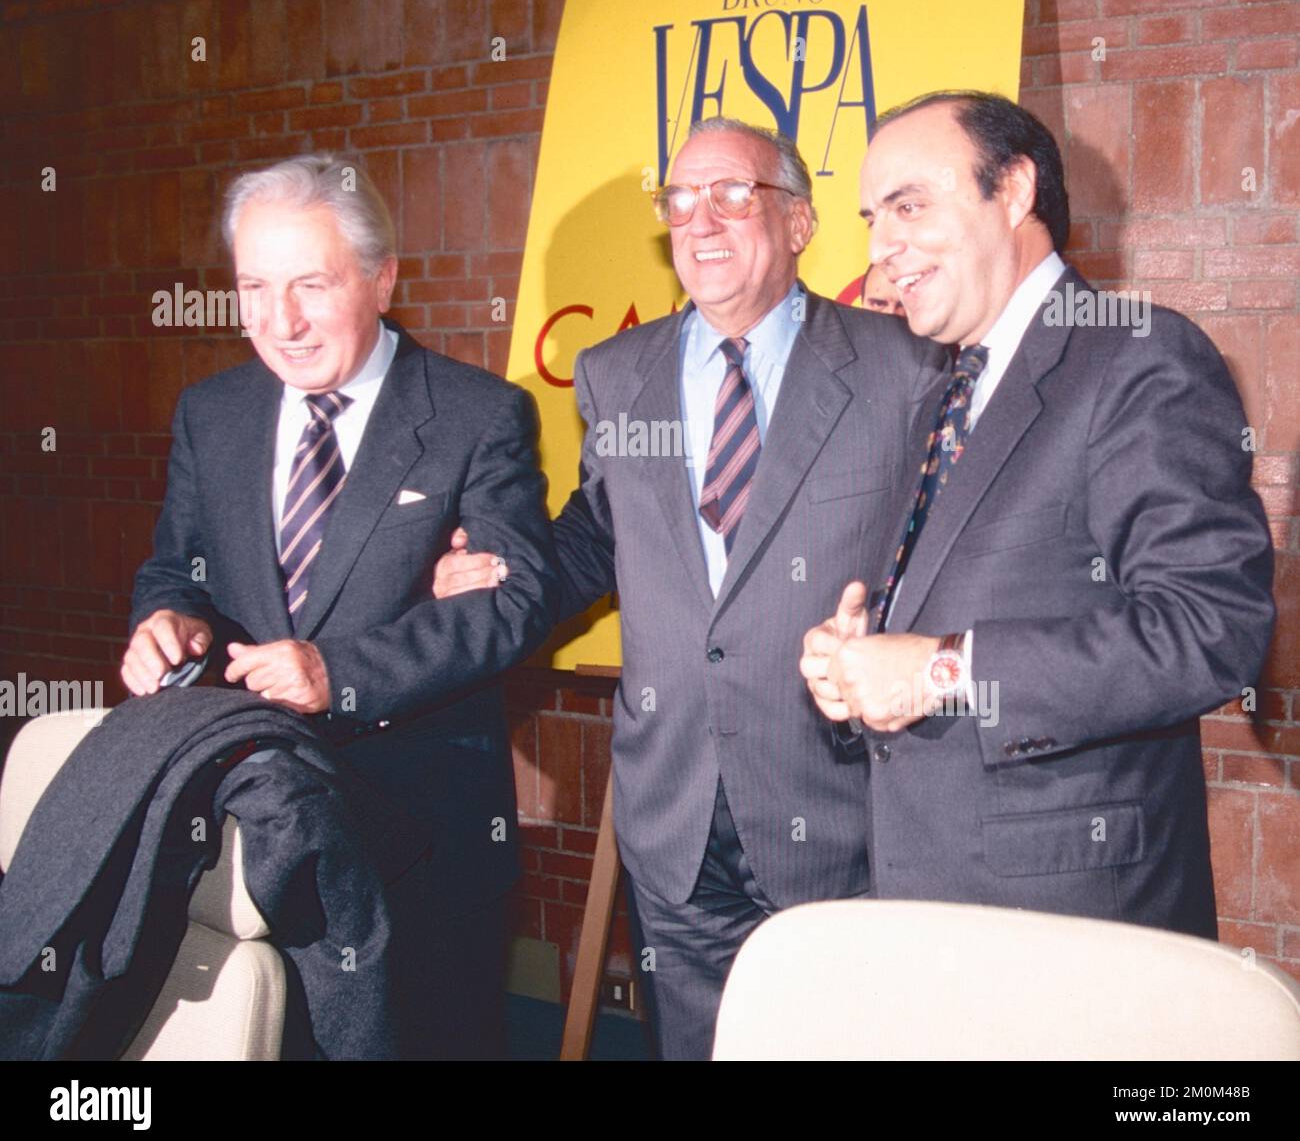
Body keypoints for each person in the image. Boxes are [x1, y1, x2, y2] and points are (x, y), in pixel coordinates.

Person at [436, 117, 941, 1059]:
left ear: (797, 220)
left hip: (842, 803)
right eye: (679, 200)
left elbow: (947, 549)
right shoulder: (616, 375)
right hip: (675, 806)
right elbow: (599, 533)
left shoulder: (904, 365)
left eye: (732, 194)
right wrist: (510, 577)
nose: (700, 220)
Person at [800, 91, 1275, 937]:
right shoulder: (938, 394)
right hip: (925, 906)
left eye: (910, 205)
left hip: (1071, 927)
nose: (879, 248)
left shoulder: (1137, 356)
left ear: (1014, 190)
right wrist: (860, 660)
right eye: (873, 217)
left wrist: (939, 670)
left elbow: (1212, 631)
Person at [123, 153, 557, 1057]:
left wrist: (338, 672)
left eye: (312, 284)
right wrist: (168, 621)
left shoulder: (479, 416)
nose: (280, 322)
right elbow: (179, 569)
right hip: (255, 831)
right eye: (254, 287)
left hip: (426, 846)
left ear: (382, 276)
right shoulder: (213, 412)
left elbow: (513, 604)